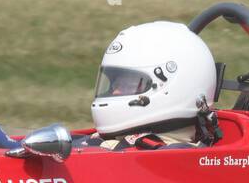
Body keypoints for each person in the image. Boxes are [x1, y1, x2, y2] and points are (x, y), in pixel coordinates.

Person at [83, 21, 221, 150]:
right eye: (115, 84)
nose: (115, 92)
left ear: (173, 88)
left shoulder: (171, 157)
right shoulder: (109, 143)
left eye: (129, 84)